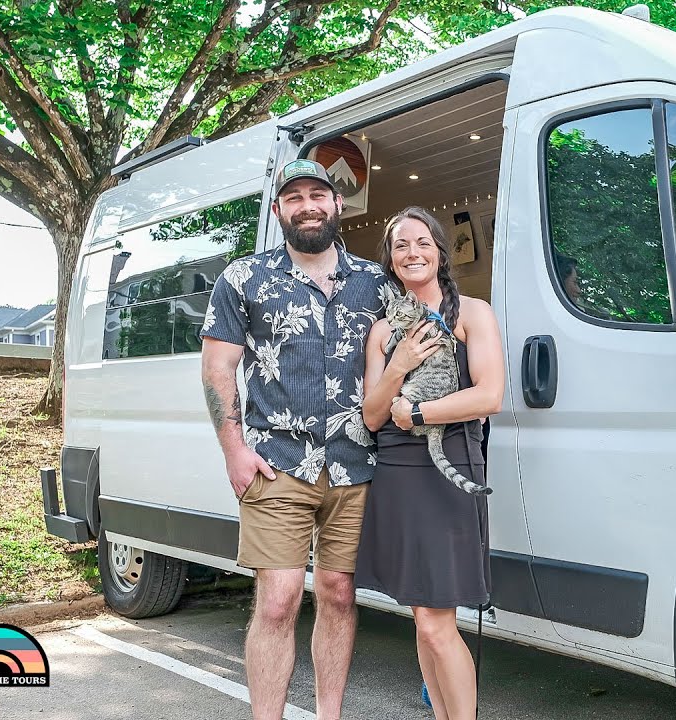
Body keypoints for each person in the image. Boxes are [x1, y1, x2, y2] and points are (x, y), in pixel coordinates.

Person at [199, 158, 387, 720]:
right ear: (278, 209)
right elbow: (217, 369)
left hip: (356, 463)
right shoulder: (244, 278)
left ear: (337, 205)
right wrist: (234, 450)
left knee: (337, 592)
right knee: (278, 601)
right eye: (294, 197)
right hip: (276, 462)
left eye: (318, 194)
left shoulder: (376, 282)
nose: (307, 205)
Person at [356, 206, 505, 720]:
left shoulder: (473, 314)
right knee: (423, 617)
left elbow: (490, 396)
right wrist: (398, 366)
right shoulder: (381, 331)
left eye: (422, 242)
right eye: (401, 246)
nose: (412, 252)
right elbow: (372, 417)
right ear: (391, 261)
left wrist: (418, 411)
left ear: (440, 251)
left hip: (448, 468)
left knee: (439, 623)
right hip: (396, 475)